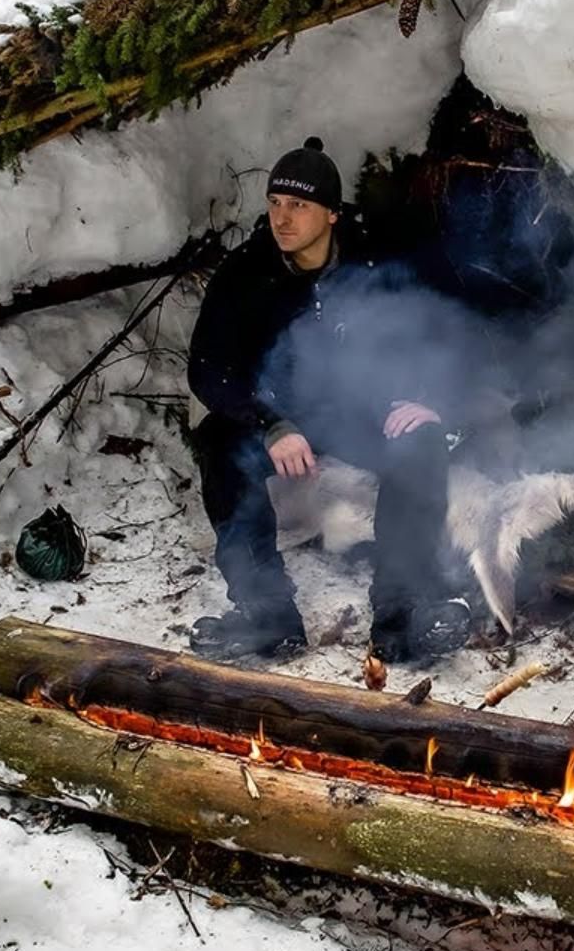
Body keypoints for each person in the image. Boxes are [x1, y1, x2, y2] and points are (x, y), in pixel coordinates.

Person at [186, 138, 472, 663]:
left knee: (421, 442)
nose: (282, 218)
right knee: (219, 443)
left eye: (299, 205)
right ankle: (267, 616)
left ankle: (402, 615)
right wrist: (269, 421)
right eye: (274, 203)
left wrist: (431, 398)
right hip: (278, 413)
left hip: (355, 409)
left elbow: (443, 328)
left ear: (332, 215)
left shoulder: (372, 259)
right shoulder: (246, 272)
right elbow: (208, 368)